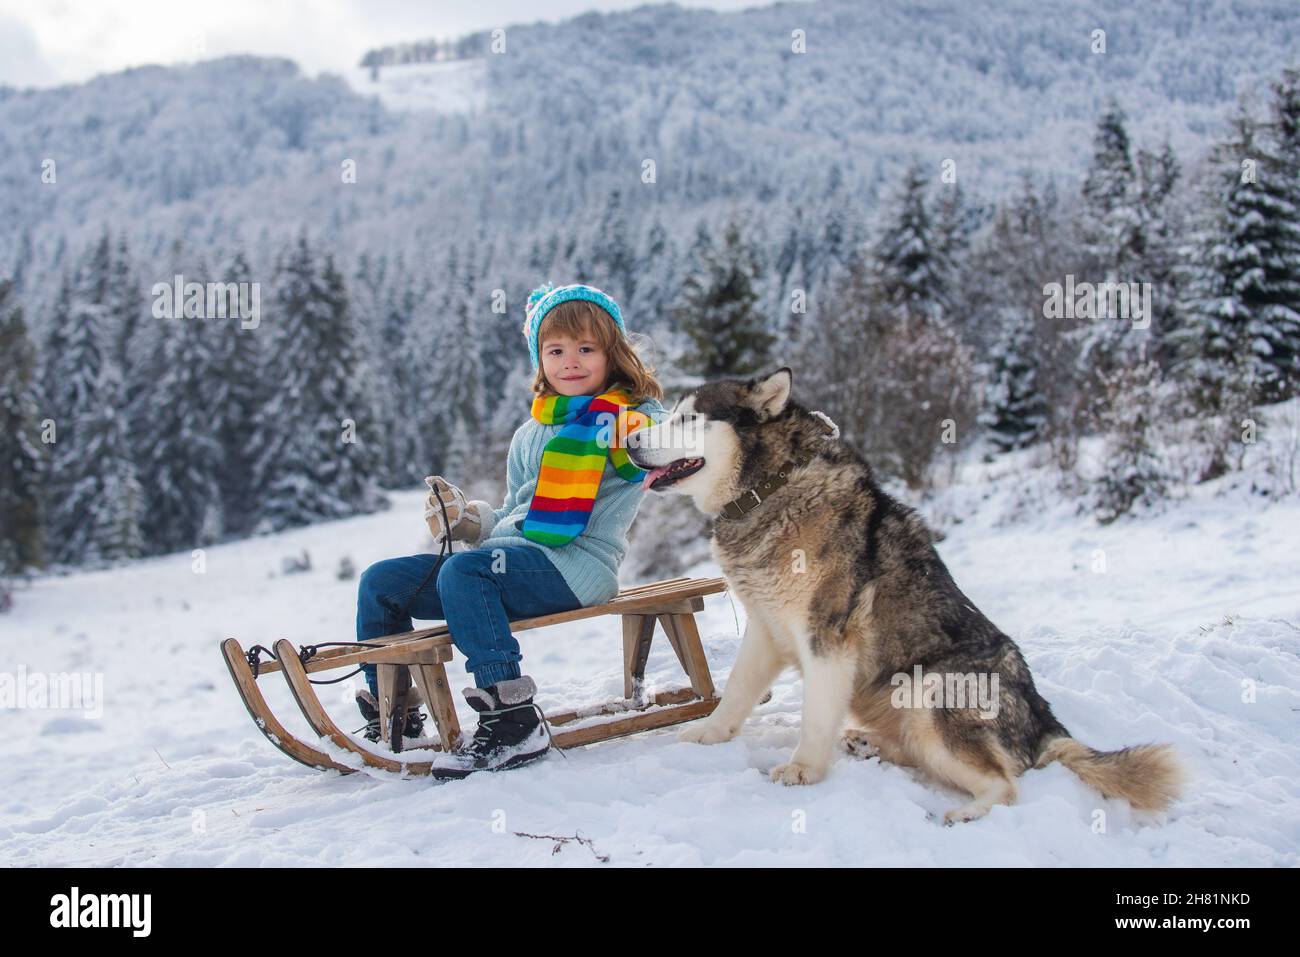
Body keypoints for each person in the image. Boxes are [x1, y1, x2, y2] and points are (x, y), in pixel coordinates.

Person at [354, 282, 667, 778]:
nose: (571, 361)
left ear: (613, 354)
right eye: (556, 350)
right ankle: (394, 710)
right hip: (507, 562)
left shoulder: (633, 419)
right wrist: (468, 521)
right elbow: (513, 512)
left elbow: (661, 452)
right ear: (539, 359)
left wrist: (653, 439)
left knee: (464, 572)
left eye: (587, 349)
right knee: (381, 582)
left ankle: (512, 718)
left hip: (577, 567)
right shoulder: (531, 432)